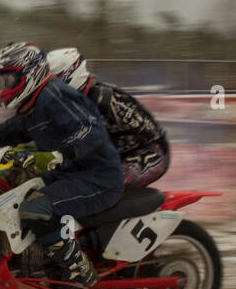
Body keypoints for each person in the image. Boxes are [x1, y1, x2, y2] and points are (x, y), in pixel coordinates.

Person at [0, 42, 123, 289]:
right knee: (10, 194)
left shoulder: (55, 96)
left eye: (9, 78)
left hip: (96, 177)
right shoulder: (34, 104)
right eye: (4, 80)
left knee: (35, 208)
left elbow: (91, 131)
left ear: (29, 73)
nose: (6, 85)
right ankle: (32, 262)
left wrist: (58, 155)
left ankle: (79, 271)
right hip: (69, 175)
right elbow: (16, 129)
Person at [46, 48, 170, 188]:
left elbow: (151, 133)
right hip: (116, 155)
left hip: (151, 153)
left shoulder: (107, 99)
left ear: (70, 73)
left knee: (97, 185)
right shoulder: (71, 101)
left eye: (54, 80)